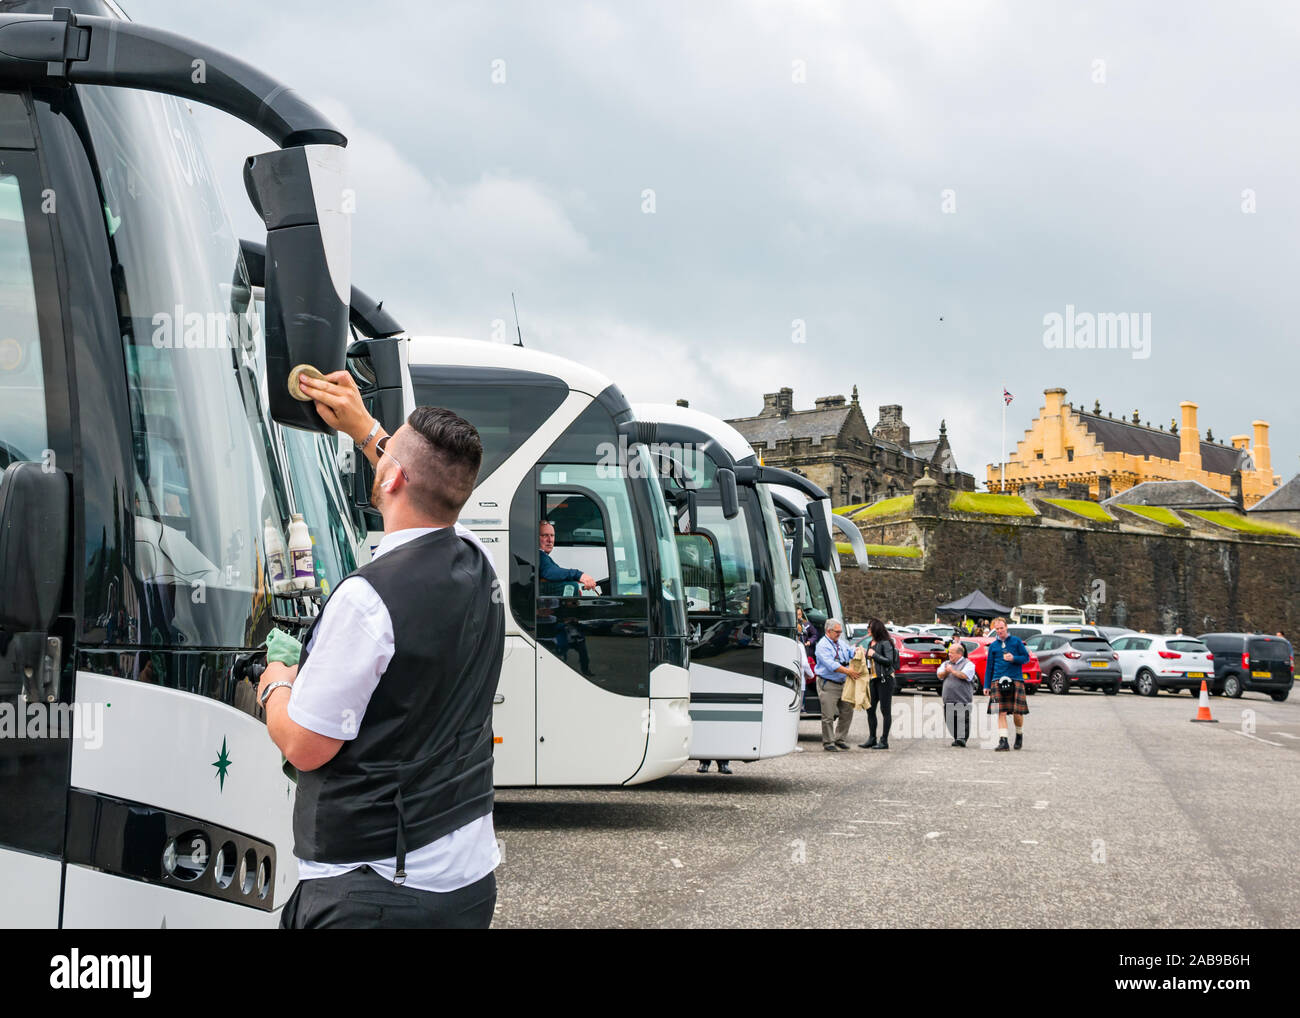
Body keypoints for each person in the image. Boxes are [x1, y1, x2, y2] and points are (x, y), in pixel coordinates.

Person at [259, 370, 505, 929]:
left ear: (392, 477)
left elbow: (305, 745)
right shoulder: (478, 562)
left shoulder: (367, 600)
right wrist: (367, 430)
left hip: (376, 891)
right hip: (466, 882)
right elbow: (423, 482)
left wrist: (276, 678)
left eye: (386, 454)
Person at [984, 616, 1030, 751]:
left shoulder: (1016, 642)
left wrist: (1014, 658)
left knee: (1017, 713)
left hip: (1015, 679)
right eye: (997, 629)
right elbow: (989, 667)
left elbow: (1026, 658)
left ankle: (1019, 734)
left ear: (1006, 627)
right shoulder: (993, 646)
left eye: (1001, 628)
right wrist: (986, 685)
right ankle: (1003, 741)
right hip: (997, 680)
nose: (999, 631)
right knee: (1001, 712)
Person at [814, 618, 855, 751]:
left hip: (843, 683)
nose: (839, 634)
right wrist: (848, 671)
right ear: (828, 631)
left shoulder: (841, 643)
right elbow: (832, 665)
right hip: (828, 683)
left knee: (848, 711)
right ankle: (828, 742)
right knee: (828, 715)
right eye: (837, 632)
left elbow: (849, 653)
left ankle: (840, 738)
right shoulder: (822, 646)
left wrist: (857, 651)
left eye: (840, 632)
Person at [859, 618, 898, 749]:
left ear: (876, 629)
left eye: (869, 628)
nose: (868, 630)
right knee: (870, 709)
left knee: (885, 711)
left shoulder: (885, 643)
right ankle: (872, 738)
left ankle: (884, 740)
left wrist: (874, 654)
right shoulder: (871, 642)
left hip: (885, 679)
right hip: (873, 679)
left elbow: (889, 661)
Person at [938, 640, 977, 746]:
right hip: (948, 699)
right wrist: (946, 671)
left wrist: (952, 671)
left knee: (962, 720)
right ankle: (957, 738)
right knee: (950, 721)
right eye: (949, 652)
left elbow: (964, 675)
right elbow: (939, 675)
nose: (949, 654)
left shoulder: (969, 664)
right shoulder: (946, 664)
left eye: (952, 652)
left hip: (963, 699)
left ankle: (962, 738)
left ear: (960, 654)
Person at [539, 522, 597, 591]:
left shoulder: (543, 556)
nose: (550, 540)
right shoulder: (539, 555)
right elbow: (550, 571)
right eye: (545, 535)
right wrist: (578, 575)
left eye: (552, 535)